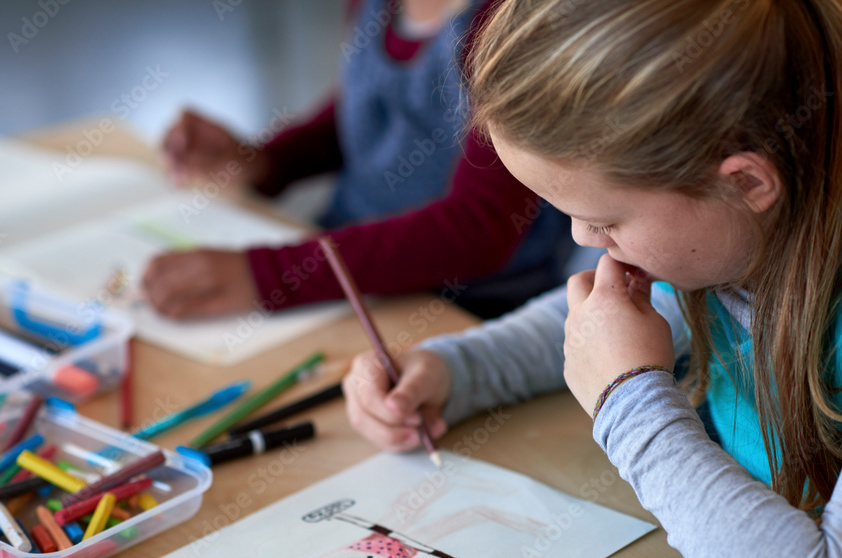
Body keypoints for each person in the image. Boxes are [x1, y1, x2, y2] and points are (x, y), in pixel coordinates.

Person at [340, 0, 842, 558]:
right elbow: (612, 318)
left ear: (745, 182)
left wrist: (629, 404)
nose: (582, 242)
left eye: (603, 220)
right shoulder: (738, 221)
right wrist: (454, 368)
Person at [141, 0, 573, 321]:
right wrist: (262, 161)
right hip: (345, 267)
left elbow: (479, 227)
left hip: (467, 302)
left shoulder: (515, 25)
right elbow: (362, 114)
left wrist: (270, 275)